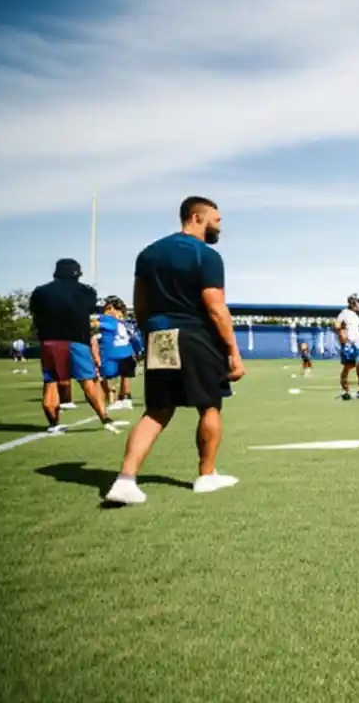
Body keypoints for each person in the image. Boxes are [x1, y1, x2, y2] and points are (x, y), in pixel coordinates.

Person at [105, 197, 245, 505]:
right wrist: (233, 350)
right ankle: (206, 475)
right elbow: (215, 307)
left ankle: (125, 479)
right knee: (209, 405)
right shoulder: (206, 255)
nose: (220, 226)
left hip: (160, 334)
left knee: (157, 410)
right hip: (195, 335)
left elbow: (139, 305)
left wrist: (152, 334)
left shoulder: (148, 254)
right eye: (217, 220)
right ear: (197, 217)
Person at [29, 258, 119, 435]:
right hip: (76, 340)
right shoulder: (85, 291)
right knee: (89, 382)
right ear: (77, 273)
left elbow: (35, 312)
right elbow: (91, 309)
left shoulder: (40, 291)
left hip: (49, 341)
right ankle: (105, 418)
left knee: (50, 382)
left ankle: (53, 424)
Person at [93, 295, 142, 410]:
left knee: (118, 375)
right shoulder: (122, 322)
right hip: (125, 350)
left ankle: (123, 398)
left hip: (120, 351)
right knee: (123, 375)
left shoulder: (120, 322)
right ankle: (123, 398)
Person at [335, 294, 359, 399]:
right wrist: (342, 335)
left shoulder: (355, 315)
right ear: (352, 303)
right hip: (349, 343)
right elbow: (337, 325)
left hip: (358, 342)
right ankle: (345, 390)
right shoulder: (344, 313)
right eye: (357, 302)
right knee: (348, 366)